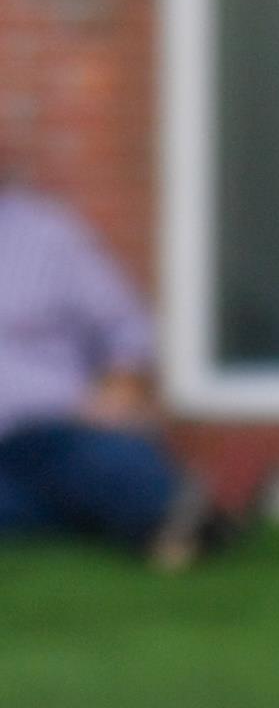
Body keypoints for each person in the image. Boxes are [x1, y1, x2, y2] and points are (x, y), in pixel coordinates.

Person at [0, 181, 248, 568]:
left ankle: (175, 524)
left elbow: (128, 327)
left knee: (106, 458)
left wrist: (120, 385)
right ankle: (160, 513)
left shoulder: (47, 234)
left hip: (51, 430)